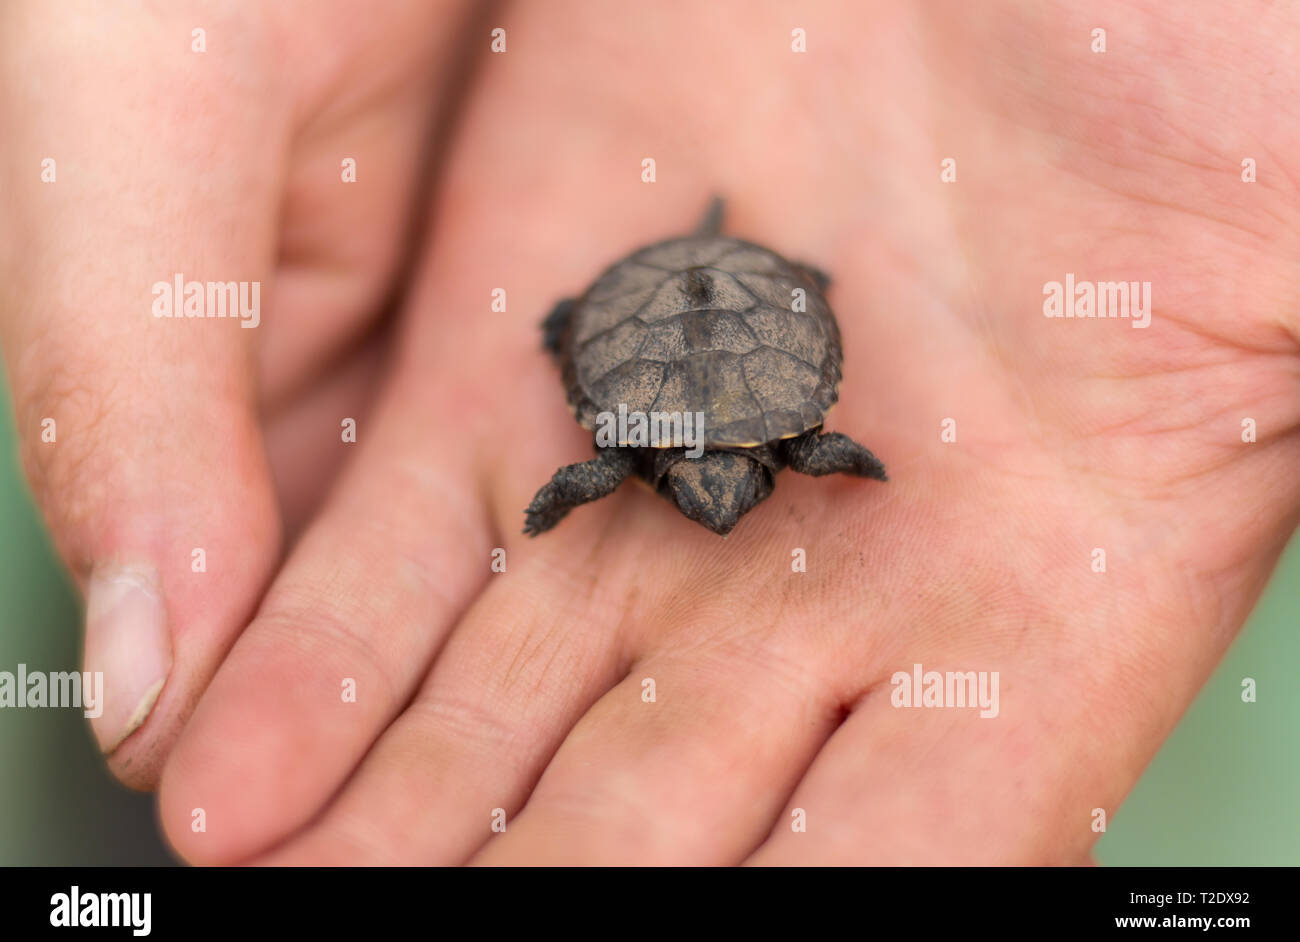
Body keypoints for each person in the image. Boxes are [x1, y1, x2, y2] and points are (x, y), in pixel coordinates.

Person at [1, 0, 1296, 865]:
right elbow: (586, 469)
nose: (725, 510)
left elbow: (815, 448)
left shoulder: (785, 441)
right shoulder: (633, 450)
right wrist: (558, 485)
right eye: (713, 486)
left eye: (730, 484)